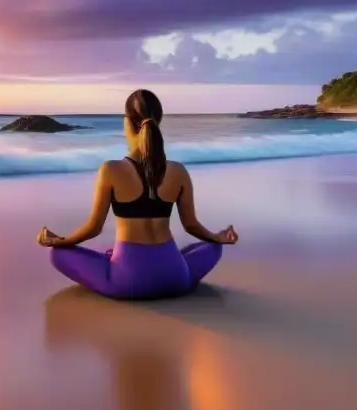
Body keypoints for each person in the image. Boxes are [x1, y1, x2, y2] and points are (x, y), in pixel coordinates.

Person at [37, 89, 238, 300]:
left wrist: (61, 241)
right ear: (158, 122)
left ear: (127, 122)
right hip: (175, 277)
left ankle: (116, 259)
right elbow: (191, 225)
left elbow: (93, 228)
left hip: (128, 282)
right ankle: (163, 261)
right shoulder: (178, 171)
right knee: (212, 246)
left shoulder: (111, 170)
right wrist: (218, 237)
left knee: (58, 254)